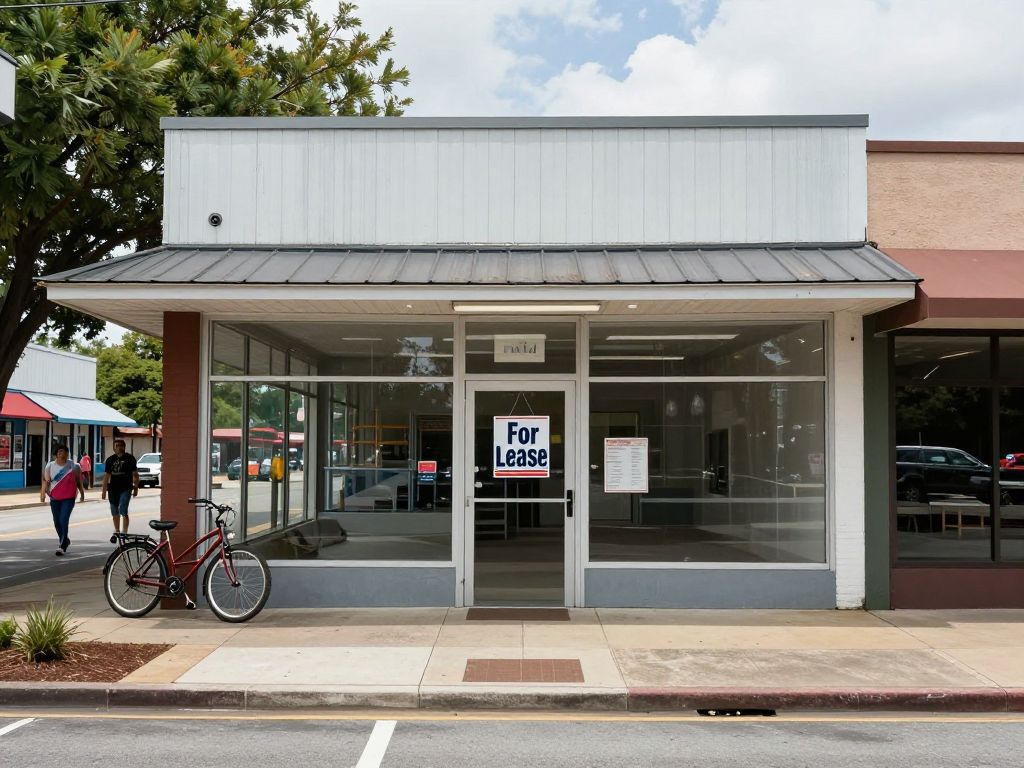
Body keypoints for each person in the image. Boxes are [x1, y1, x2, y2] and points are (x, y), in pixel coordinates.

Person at [40, 444, 85, 557]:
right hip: (55, 497)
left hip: (69, 498)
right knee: (56, 521)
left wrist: (82, 494)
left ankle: (62, 546)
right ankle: (64, 539)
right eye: (59, 452)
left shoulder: (74, 466)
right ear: (55, 454)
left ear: (67, 453)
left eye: (63, 452)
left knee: (63, 519)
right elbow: (46, 481)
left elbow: (78, 481)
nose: (61, 454)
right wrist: (42, 494)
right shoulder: (50, 466)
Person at [101, 439, 139, 537]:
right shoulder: (110, 460)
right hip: (113, 489)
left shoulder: (130, 458)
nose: (119, 447)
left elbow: (135, 474)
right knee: (114, 510)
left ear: (124, 447)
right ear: (114, 448)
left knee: (123, 508)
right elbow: (106, 476)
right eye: (117, 445)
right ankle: (117, 530)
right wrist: (104, 491)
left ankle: (124, 531)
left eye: (121, 445)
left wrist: (136, 488)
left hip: (126, 488)